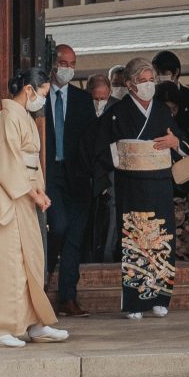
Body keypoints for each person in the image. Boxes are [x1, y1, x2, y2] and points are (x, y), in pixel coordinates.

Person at [98, 55, 189, 319]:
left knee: (161, 240)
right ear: (130, 84)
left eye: (151, 80)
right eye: (143, 81)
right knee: (137, 241)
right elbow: (99, 147)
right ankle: (135, 301)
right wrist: (118, 155)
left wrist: (175, 143)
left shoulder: (161, 111)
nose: (148, 85)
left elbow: (181, 141)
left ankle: (161, 297)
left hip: (160, 184)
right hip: (132, 184)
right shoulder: (117, 113)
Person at [0, 66, 68, 349]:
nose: (43, 99)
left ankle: (35, 323)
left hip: (26, 192)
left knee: (31, 258)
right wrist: (32, 192)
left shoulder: (26, 118)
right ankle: (1, 328)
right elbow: (7, 163)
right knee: (10, 262)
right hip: (11, 195)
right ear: (29, 89)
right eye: (42, 93)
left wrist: (39, 191)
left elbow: (32, 160)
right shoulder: (7, 117)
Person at [43, 43, 95, 318]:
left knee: (75, 235)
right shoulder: (40, 97)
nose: (68, 69)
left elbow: (91, 140)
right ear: (53, 64)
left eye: (72, 64)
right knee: (58, 226)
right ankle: (43, 278)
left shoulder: (82, 100)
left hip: (77, 175)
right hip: (50, 172)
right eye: (64, 63)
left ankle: (68, 297)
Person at [153, 51, 189, 267]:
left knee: (184, 234)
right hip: (157, 184)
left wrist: (177, 143)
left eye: (173, 109)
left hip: (184, 184)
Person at [85, 73, 118, 266]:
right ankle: (87, 255)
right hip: (87, 167)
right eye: (95, 98)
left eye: (103, 98)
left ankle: (108, 253)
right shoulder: (82, 107)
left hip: (111, 168)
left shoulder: (117, 108)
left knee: (112, 211)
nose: (99, 102)